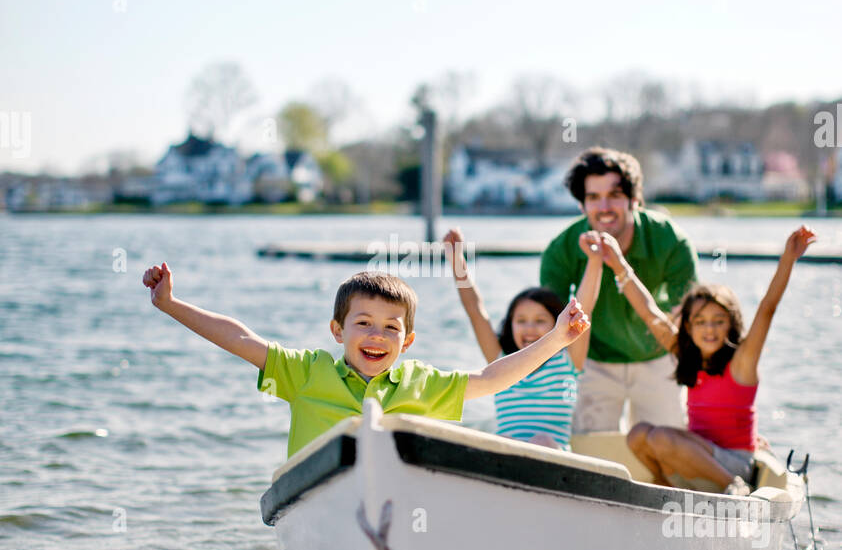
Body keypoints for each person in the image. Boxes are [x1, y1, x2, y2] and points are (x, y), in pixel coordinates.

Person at [141, 263, 590, 459]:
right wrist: (172, 304)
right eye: (364, 324)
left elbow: (492, 378)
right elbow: (240, 337)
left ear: (407, 341)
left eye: (391, 328)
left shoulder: (422, 383)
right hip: (322, 508)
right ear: (338, 331)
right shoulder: (306, 372)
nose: (378, 335)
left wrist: (557, 338)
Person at [622, 225, 816, 492]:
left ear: (731, 324)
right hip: (697, 455)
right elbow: (650, 313)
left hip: (735, 463)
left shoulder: (742, 361)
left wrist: (788, 258)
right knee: (638, 434)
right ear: (688, 327)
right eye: (700, 322)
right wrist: (617, 262)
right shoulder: (687, 356)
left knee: (662, 437)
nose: (709, 329)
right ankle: (664, 482)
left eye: (718, 321)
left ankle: (734, 486)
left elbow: (767, 309)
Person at [540, 146, 699, 433]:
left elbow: (684, 327)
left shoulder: (671, 241)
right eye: (593, 198)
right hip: (594, 362)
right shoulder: (559, 251)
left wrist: (620, 267)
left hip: (658, 358)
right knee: (589, 453)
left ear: (635, 200)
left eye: (614, 195)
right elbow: (551, 332)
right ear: (581, 204)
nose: (604, 208)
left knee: (669, 450)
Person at [443, 226, 603, 449]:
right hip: (508, 460)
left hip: (554, 461)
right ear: (510, 325)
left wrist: (595, 260)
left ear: (558, 324)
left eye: (540, 321)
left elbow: (586, 306)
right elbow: (475, 310)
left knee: (541, 441)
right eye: (521, 321)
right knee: (501, 441)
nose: (529, 328)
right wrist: (456, 260)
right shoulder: (501, 363)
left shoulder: (568, 362)